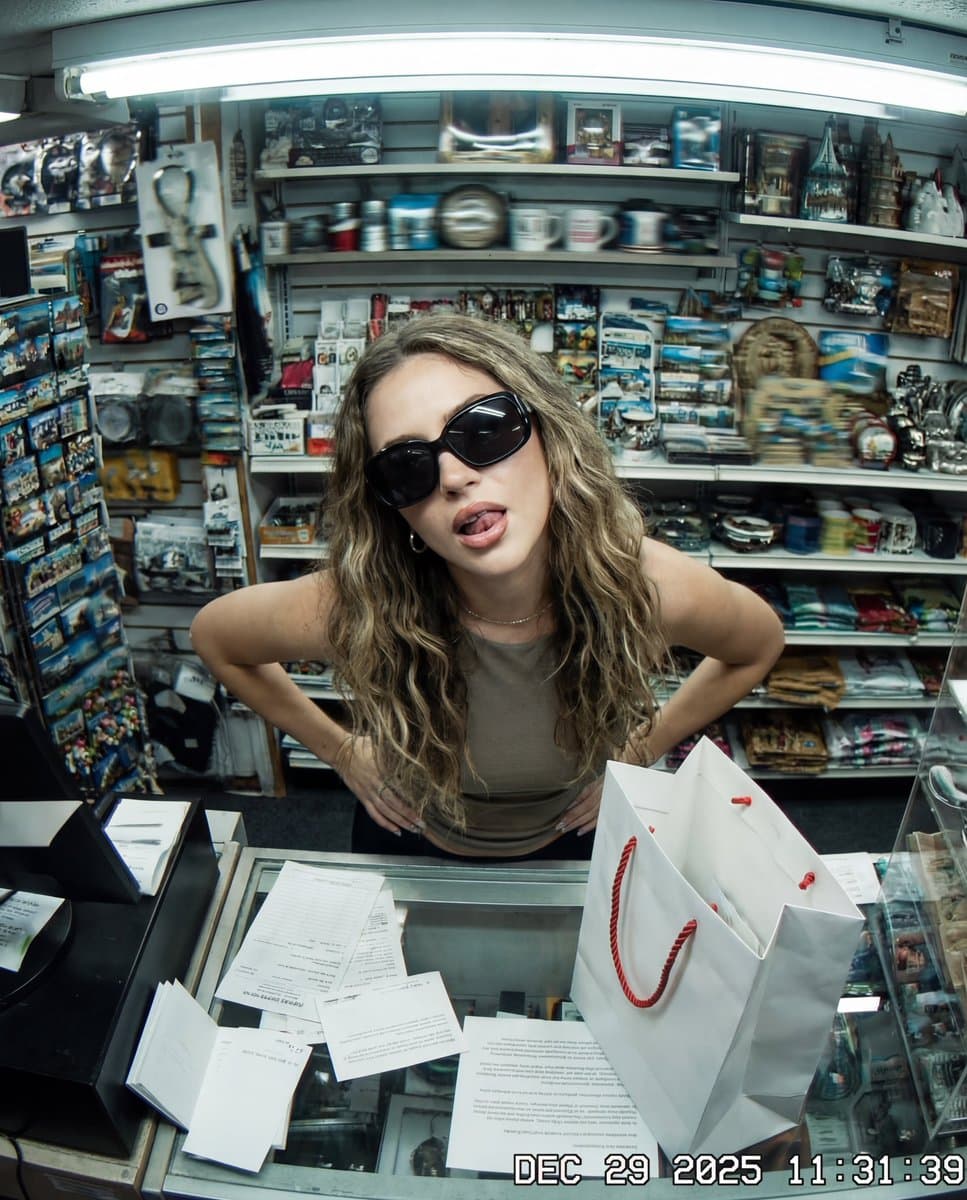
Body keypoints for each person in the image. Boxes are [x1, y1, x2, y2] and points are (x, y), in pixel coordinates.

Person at [190, 312, 784, 860]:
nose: (453, 476)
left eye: (484, 429)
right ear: (393, 509)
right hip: (411, 843)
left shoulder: (641, 582)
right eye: (407, 465)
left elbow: (758, 644)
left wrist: (637, 755)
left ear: (553, 436)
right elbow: (216, 637)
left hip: (578, 839)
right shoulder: (363, 603)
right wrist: (342, 751)